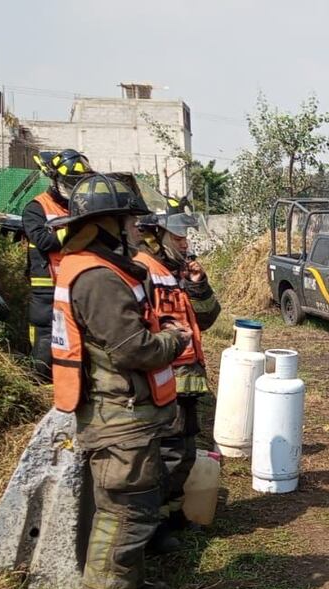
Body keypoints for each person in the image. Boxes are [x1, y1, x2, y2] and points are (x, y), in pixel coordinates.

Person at [49, 173, 190, 589]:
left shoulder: (94, 269)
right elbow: (133, 349)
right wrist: (173, 340)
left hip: (124, 414)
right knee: (125, 513)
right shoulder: (98, 279)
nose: (135, 229)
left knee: (133, 507)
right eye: (128, 221)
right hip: (118, 417)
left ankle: (126, 588)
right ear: (105, 224)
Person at [135, 197, 221, 551]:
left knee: (183, 453)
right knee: (166, 455)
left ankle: (172, 517)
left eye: (186, 237)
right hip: (162, 380)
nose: (185, 244)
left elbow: (206, 318)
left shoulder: (177, 272)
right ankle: (153, 531)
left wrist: (198, 284)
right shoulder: (142, 270)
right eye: (178, 237)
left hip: (187, 380)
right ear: (155, 236)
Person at [23, 149, 92, 380]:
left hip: (77, 284)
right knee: (46, 334)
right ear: (55, 180)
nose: (74, 187)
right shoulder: (36, 207)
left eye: (78, 182)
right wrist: (78, 231)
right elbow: (43, 240)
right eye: (70, 182)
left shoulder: (79, 208)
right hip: (47, 285)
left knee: (77, 334)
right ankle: (41, 382)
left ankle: (73, 382)